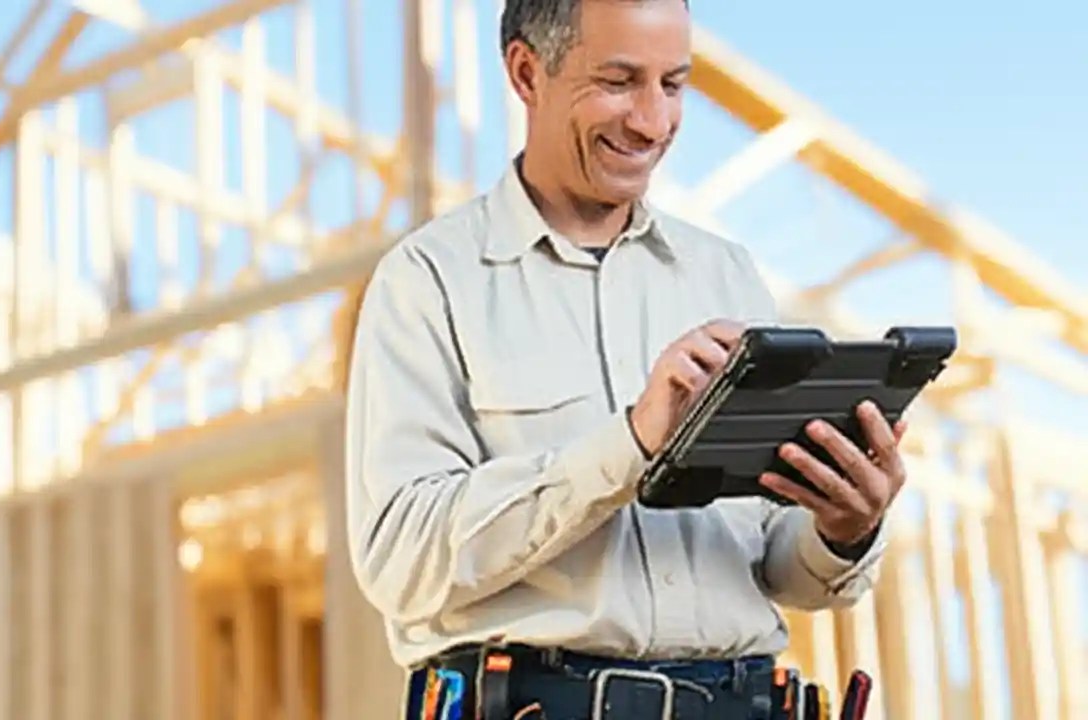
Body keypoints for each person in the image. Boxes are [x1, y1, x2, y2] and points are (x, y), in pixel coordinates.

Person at [343, 0, 908, 717]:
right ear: (526, 71)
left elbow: (775, 564)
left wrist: (844, 528)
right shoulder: (430, 280)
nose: (652, 122)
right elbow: (401, 559)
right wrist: (631, 443)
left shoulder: (724, 275)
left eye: (672, 85)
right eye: (618, 81)